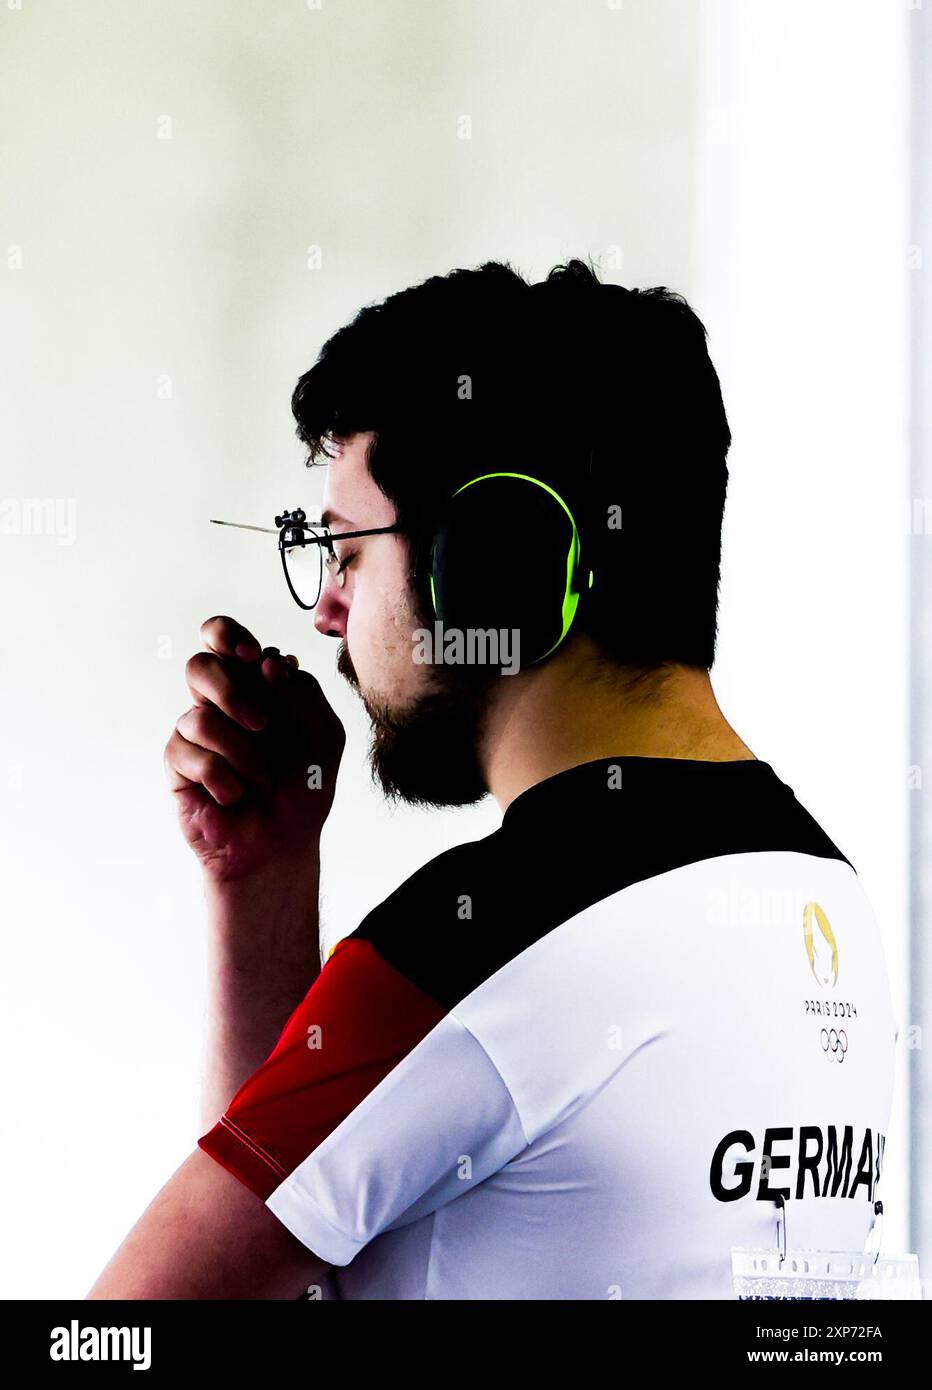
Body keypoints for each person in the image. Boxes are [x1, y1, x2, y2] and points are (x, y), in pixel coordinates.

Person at [88, 259, 897, 1300]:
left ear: (494, 563)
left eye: (345, 551)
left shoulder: (476, 943)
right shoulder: (823, 903)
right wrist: (266, 883)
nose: (327, 612)